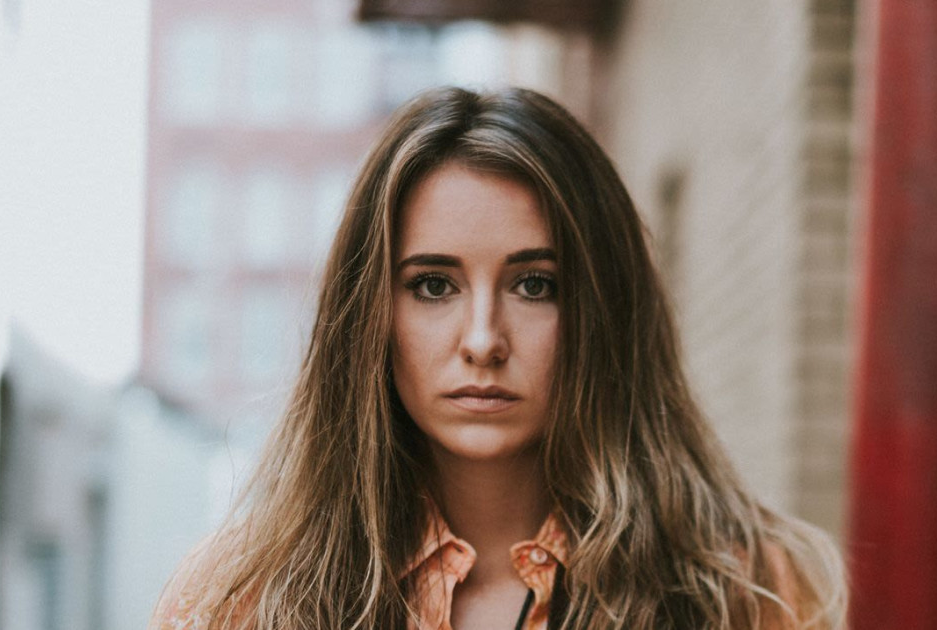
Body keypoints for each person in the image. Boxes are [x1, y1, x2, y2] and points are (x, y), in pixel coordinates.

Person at [149, 87, 847, 630]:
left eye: (535, 285)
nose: (483, 340)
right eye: (433, 286)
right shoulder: (242, 598)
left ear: (602, 312)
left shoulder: (741, 589)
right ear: (367, 317)